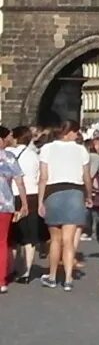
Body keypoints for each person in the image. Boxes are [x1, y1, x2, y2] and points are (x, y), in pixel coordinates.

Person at [37, 119, 94, 292]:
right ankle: (68, 279)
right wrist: (89, 195)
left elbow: (43, 177)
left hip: (53, 192)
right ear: (69, 132)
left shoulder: (47, 149)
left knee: (55, 239)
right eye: (76, 132)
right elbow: (86, 177)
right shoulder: (81, 150)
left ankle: (53, 276)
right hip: (75, 192)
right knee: (69, 240)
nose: (77, 136)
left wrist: (40, 201)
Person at [10, 126, 42, 283]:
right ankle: (27, 271)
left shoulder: (9, 154)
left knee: (13, 235)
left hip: (13, 195)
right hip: (32, 195)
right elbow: (40, 176)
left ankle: (13, 267)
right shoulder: (34, 155)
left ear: (15, 138)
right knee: (30, 236)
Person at [0, 126, 20, 294]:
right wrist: (25, 203)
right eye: (8, 136)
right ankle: (1, 281)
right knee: (2, 243)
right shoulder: (9, 157)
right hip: (5, 205)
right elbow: (19, 181)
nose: (10, 139)